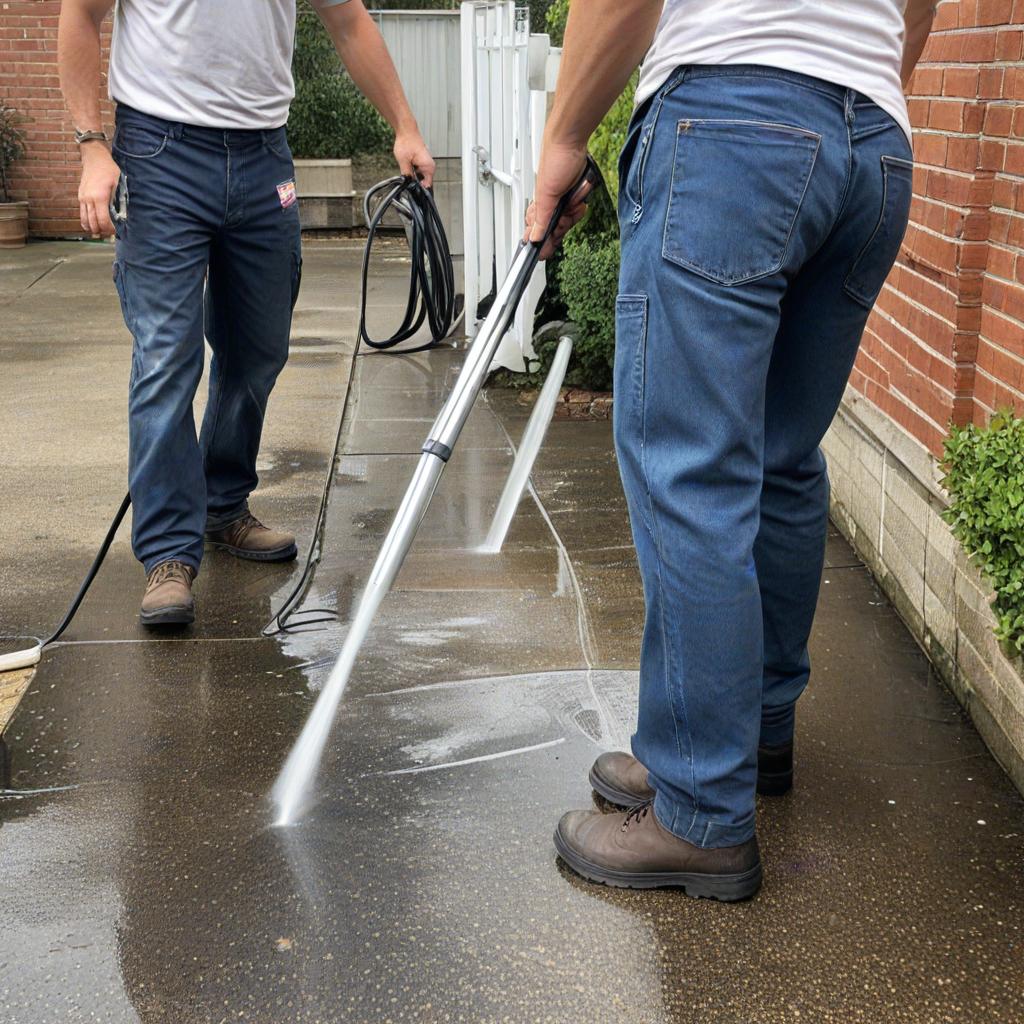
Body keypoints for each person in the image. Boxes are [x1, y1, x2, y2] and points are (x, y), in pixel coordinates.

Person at [528, 0, 937, 900]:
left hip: (733, 124)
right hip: (874, 146)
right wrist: (846, 103)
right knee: (782, 458)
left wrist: (563, 142)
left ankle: (699, 809)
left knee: (689, 467)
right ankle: (747, 737)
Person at [58, 0, 434, 626]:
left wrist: (405, 126)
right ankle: (168, 554)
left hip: (263, 155)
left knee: (257, 349)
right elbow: (80, 17)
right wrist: (92, 147)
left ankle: (222, 504)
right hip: (159, 152)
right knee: (167, 357)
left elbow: (348, 20)